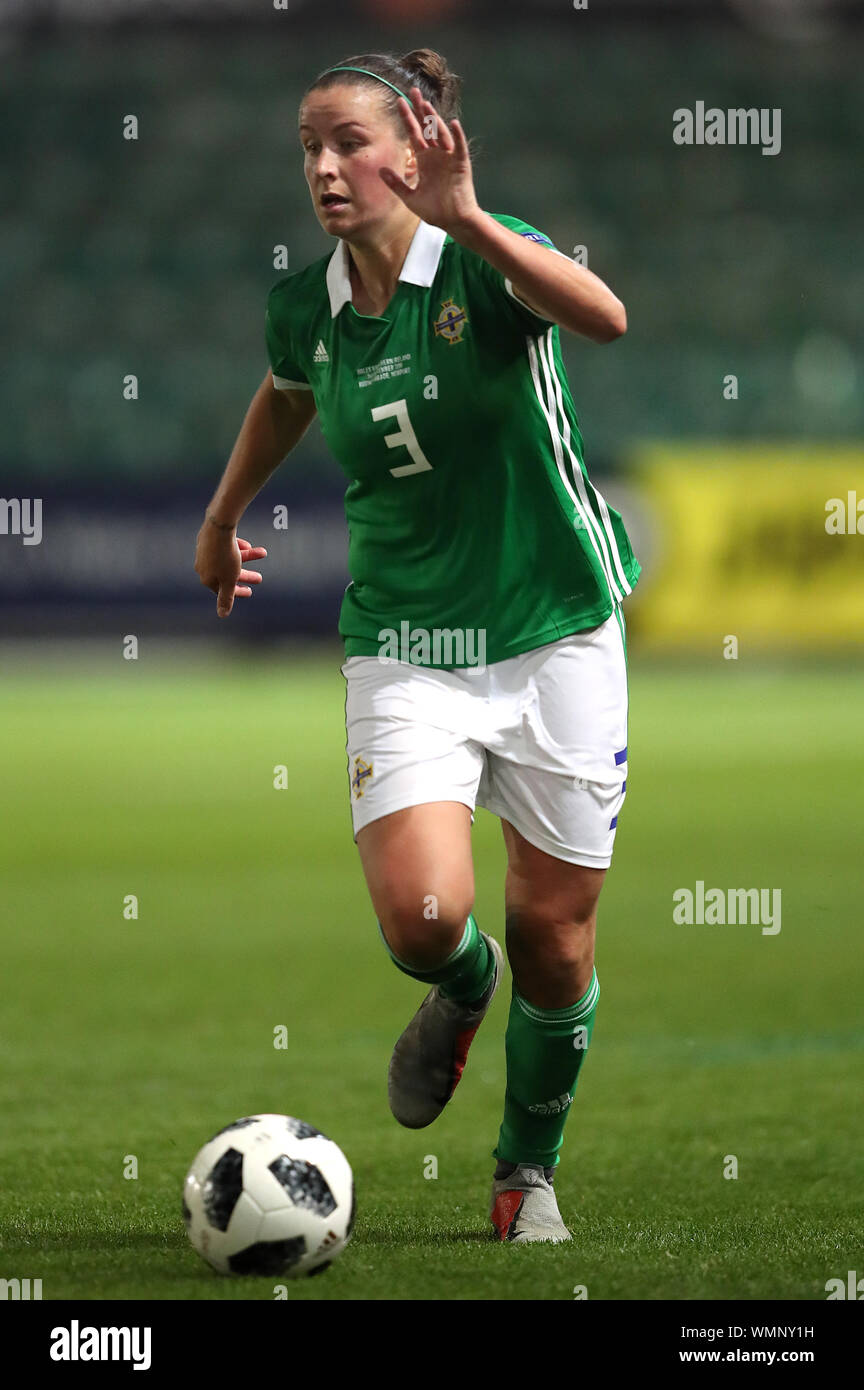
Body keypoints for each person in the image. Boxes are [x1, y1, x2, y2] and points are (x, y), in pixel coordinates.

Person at [194, 48, 640, 1245]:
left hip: (556, 626)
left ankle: (525, 1172)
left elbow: (605, 319)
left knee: (557, 937)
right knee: (424, 917)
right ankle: (461, 984)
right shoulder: (307, 305)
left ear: (415, 144)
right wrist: (224, 515)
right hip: (403, 635)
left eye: (348, 142)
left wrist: (473, 219)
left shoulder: (485, 257)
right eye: (309, 147)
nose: (325, 168)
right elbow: (288, 389)